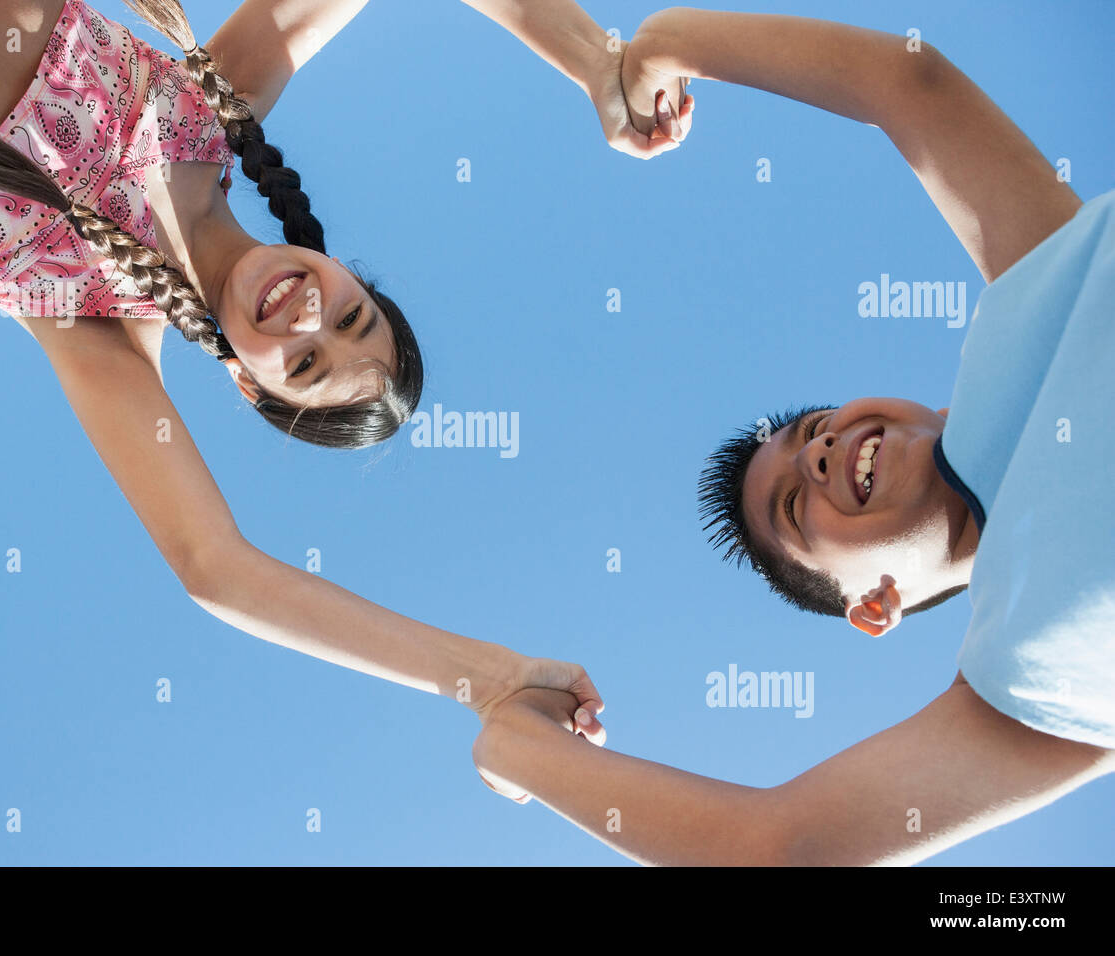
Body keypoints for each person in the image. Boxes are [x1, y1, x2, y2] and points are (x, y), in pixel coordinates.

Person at [0, 0, 660, 740]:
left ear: (248, 385)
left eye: (304, 362)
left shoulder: (94, 326)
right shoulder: (215, 108)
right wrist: (591, 59)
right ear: (349, 272)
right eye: (350, 315)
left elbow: (215, 568)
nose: (308, 318)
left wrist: (482, 677)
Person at [473, 6, 1115, 865]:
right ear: (873, 606)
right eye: (793, 507)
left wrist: (663, 42)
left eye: (811, 432)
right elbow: (777, 849)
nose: (817, 454)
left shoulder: (1035, 295)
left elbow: (908, 83)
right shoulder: (1013, 693)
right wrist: (512, 745)